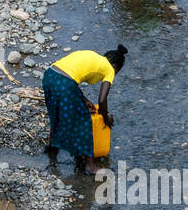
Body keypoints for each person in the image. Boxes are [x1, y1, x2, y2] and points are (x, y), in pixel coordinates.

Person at [43, 45, 127, 174]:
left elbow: (70, 76)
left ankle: (51, 147)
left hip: (49, 76)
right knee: (84, 122)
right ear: (116, 67)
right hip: (64, 83)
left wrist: (84, 100)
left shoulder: (92, 55)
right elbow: (102, 100)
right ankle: (90, 166)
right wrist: (106, 117)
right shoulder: (110, 69)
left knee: (56, 114)